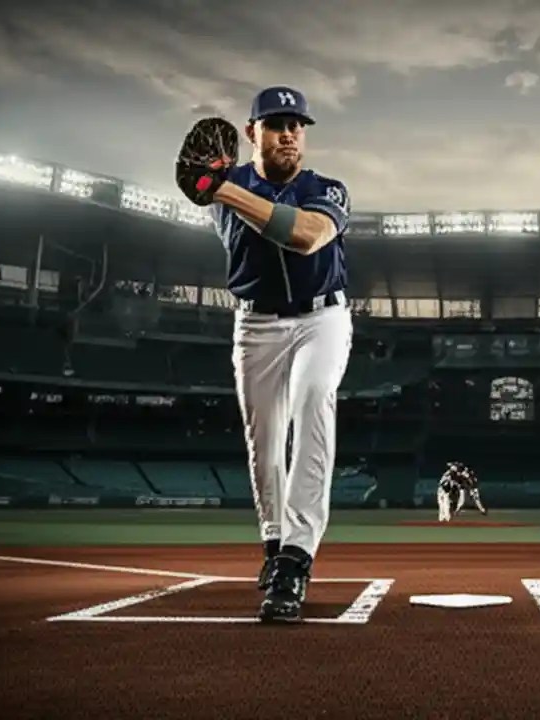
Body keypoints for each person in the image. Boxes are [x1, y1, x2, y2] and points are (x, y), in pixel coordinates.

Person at [196, 86, 353, 623]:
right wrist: (217, 186)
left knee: (314, 402)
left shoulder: (327, 188)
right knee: (263, 440)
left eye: (297, 124)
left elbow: (306, 236)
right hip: (255, 323)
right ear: (251, 132)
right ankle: (273, 543)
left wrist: (219, 189)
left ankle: (296, 557)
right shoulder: (227, 184)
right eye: (276, 122)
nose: (289, 133)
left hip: (322, 319)